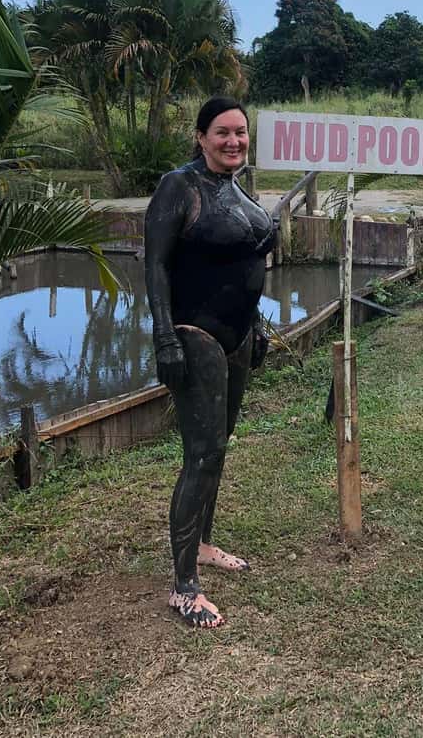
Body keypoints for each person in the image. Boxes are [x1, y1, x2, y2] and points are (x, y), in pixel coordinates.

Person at [145, 96, 275, 627]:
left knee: (219, 447)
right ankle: (183, 587)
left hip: (238, 335)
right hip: (194, 334)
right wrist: (163, 338)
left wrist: (259, 323)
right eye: (222, 133)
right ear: (200, 137)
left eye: (240, 133)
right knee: (200, 454)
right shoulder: (179, 186)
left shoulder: (236, 186)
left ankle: (201, 543)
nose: (233, 142)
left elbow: (246, 261)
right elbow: (153, 265)